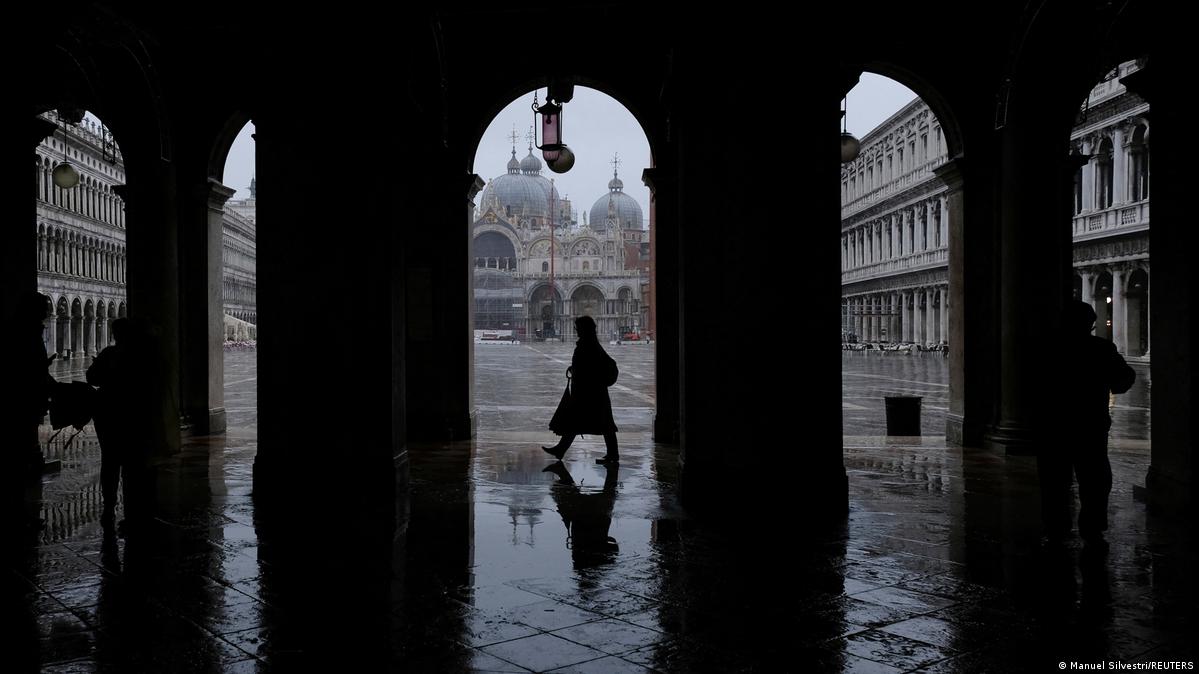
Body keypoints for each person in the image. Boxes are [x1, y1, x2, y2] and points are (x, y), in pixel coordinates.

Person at [1042, 300, 1136, 550]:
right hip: (1090, 426)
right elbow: (1123, 381)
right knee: (1095, 480)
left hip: (1054, 426)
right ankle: (1092, 526)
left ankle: (1055, 526)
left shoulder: (1048, 349)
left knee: (1054, 480)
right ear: (1090, 324)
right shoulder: (1102, 349)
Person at [87, 317, 154, 534]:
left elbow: (91, 378)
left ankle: (109, 508)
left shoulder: (109, 354)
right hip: (134, 415)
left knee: (110, 462)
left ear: (116, 335)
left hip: (108, 414)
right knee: (133, 465)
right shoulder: (142, 356)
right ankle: (133, 512)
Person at [543, 315, 620, 464]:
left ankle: (613, 454)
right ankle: (561, 449)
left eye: (578, 328)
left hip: (591, 392)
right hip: (591, 391)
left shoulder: (588, 345)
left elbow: (590, 367)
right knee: (581, 422)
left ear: (585, 329)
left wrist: (578, 371)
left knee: (603, 424)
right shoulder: (590, 343)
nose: (576, 330)